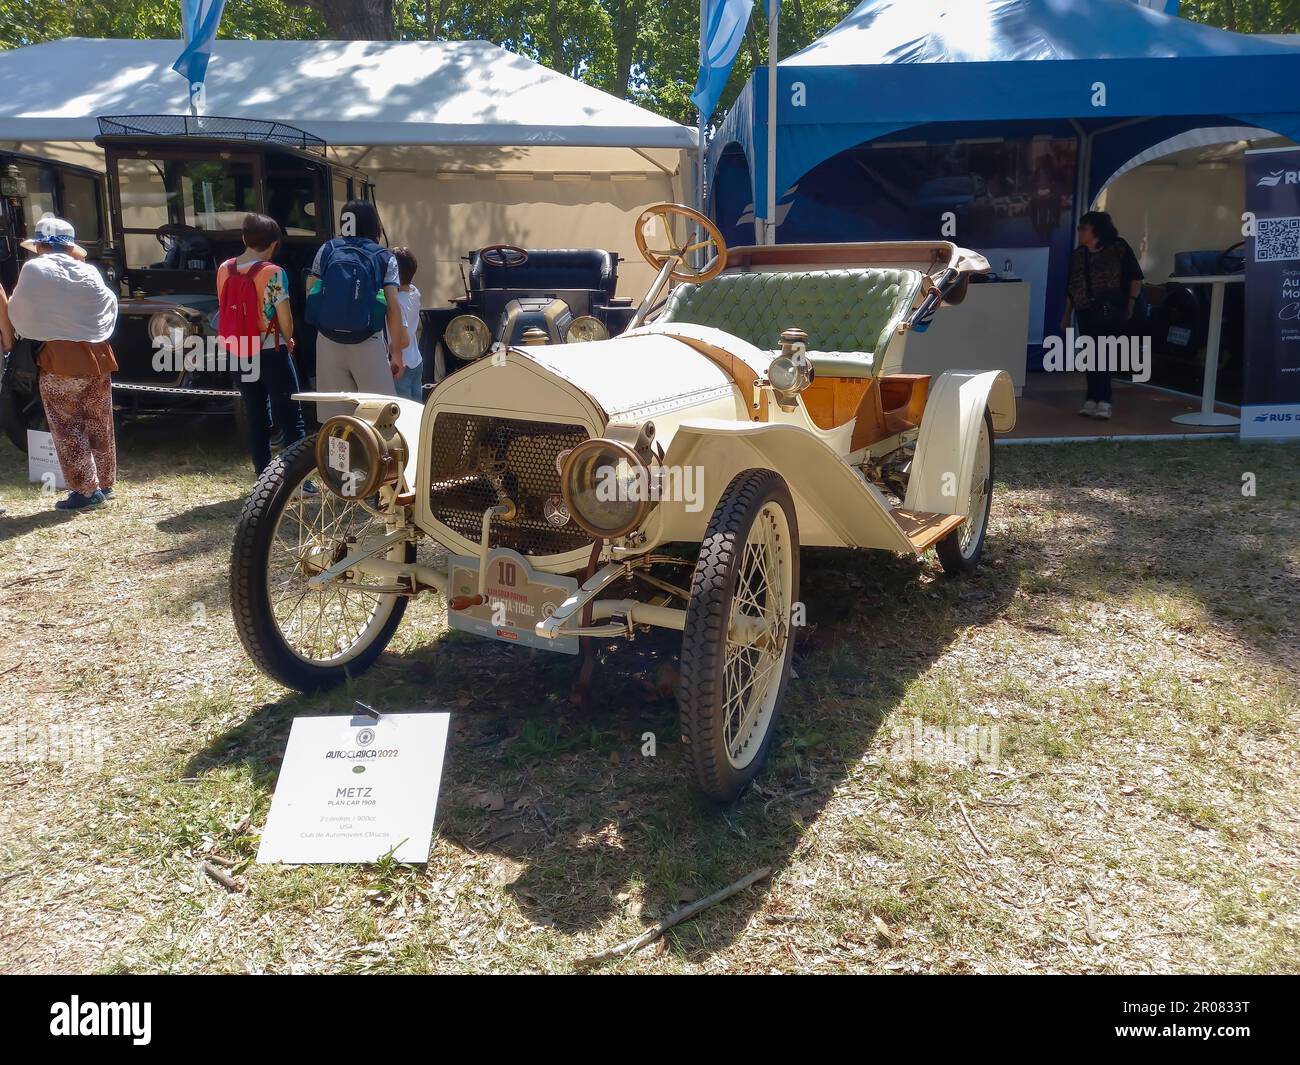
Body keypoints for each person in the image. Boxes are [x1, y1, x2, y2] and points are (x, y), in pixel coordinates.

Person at [7, 214, 118, 511]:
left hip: (59, 359)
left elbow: (19, 311)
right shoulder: (89, 271)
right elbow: (108, 305)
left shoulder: (33, 269)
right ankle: (105, 483)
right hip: (99, 354)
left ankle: (85, 491)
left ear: (40, 245)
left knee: (67, 426)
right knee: (100, 421)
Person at [216, 213, 306, 477]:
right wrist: (288, 338)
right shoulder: (274, 273)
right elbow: (285, 320)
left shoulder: (224, 269)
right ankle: (297, 479)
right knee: (291, 415)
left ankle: (263, 476)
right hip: (271, 350)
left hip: (237, 350)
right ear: (274, 243)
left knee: (256, 415)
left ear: (244, 238)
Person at [306, 200, 406, 419]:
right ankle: (377, 453)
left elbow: (311, 290)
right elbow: (393, 306)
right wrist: (396, 351)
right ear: (374, 223)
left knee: (336, 417)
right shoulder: (384, 256)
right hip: (367, 340)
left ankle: (337, 453)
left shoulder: (327, 248)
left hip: (328, 340)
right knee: (382, 414)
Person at [1062, 210, 1144, 421]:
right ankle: (1092, 398)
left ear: (1096, 230)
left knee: (1103, 354)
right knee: (1091, 355)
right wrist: (1066, 315)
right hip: (1085, 311)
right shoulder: (1078, 255)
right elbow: (1072, 288)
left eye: (1084, 228)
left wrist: (1131, 303)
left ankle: (1104, 400)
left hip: (1109, 310)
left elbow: (1135, 277)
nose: (1080, 232)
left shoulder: (1118, 249)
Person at [392, 246, 424, 401]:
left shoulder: (397, 302)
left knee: (404, 410)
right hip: (416, 360)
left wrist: (384, 348)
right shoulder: (414, 292)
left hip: (402, 365)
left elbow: (403, 340)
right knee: (417, 405)